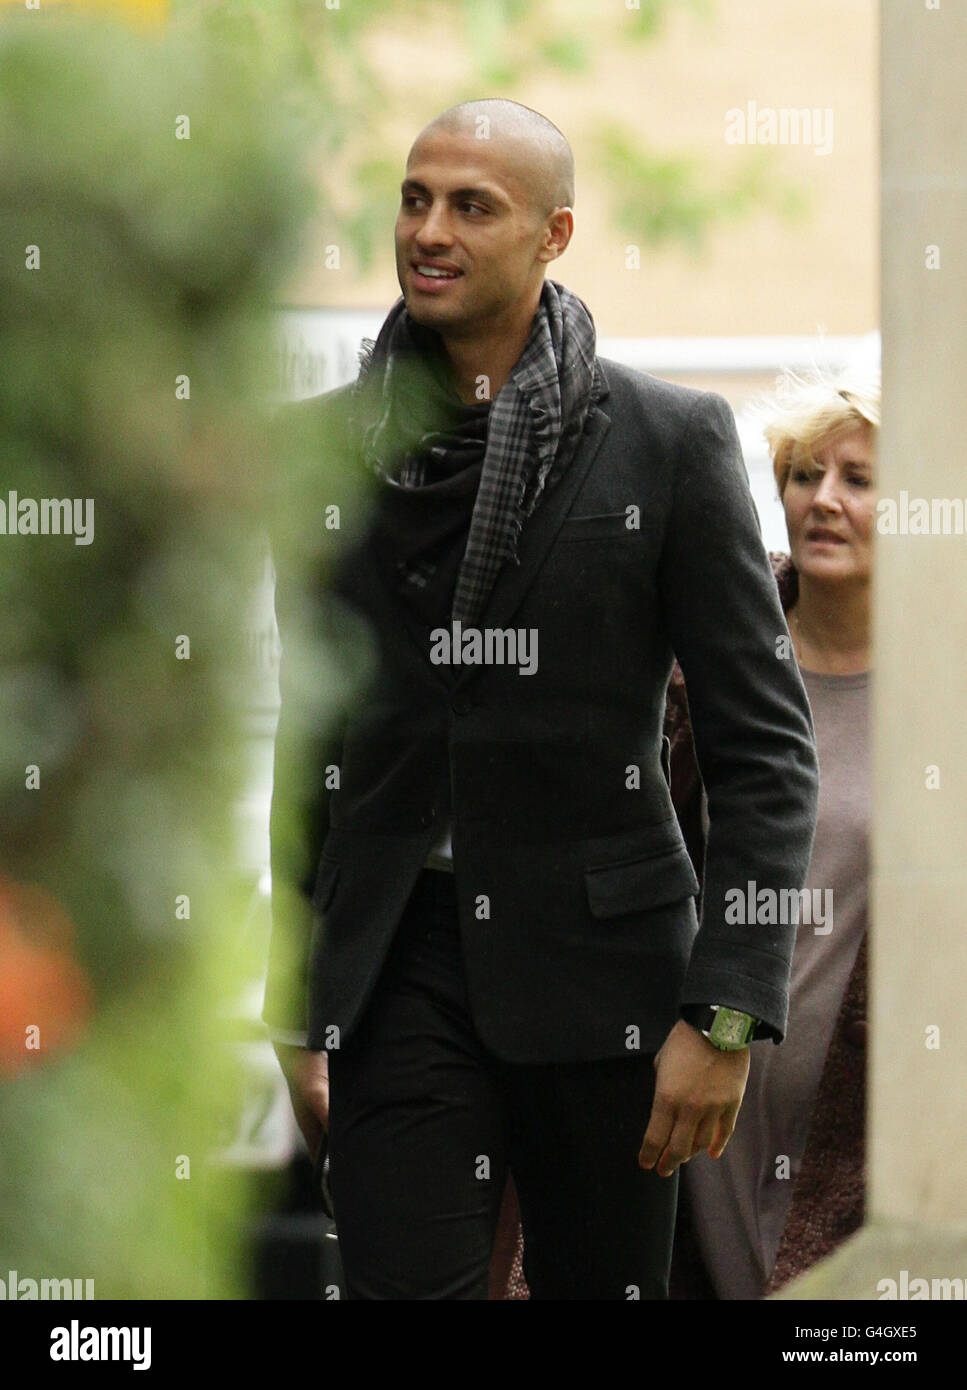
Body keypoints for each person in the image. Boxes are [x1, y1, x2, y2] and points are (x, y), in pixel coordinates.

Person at [262, 98, 819, 1301]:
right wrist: (296, 1006)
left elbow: (764, 748)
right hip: (395, 963)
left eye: (473, 205)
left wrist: (724, 1011)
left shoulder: (668, 441)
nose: (430, 228)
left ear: (553, 233)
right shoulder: (313, 453)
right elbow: (316, 740)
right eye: (414, 197)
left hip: (609, 975)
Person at [671, 369, 878, 1298]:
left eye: (859, 480)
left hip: (867, 1127)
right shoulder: (699, 667)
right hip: (698, 1084)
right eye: (802, 474)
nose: (822, 500)